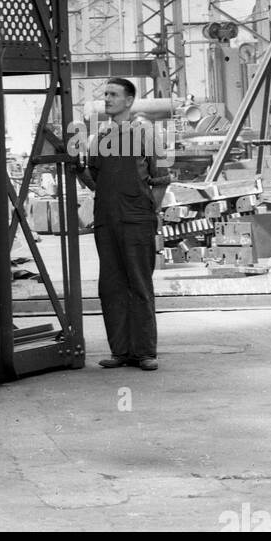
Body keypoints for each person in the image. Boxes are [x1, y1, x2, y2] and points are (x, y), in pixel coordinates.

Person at [75, 78, 168, 371]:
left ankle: (144, 352)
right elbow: (94, 180)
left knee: (139, 285)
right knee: (111, 286)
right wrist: (78, 169)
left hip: (137, 219)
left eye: (113, 94)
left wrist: (146, 207)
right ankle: (121, 351)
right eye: (105, 94)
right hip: (107, 220)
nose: (107, 99)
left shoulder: (147, 135)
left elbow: (161, 180)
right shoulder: (99, 138)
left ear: (129, 101)